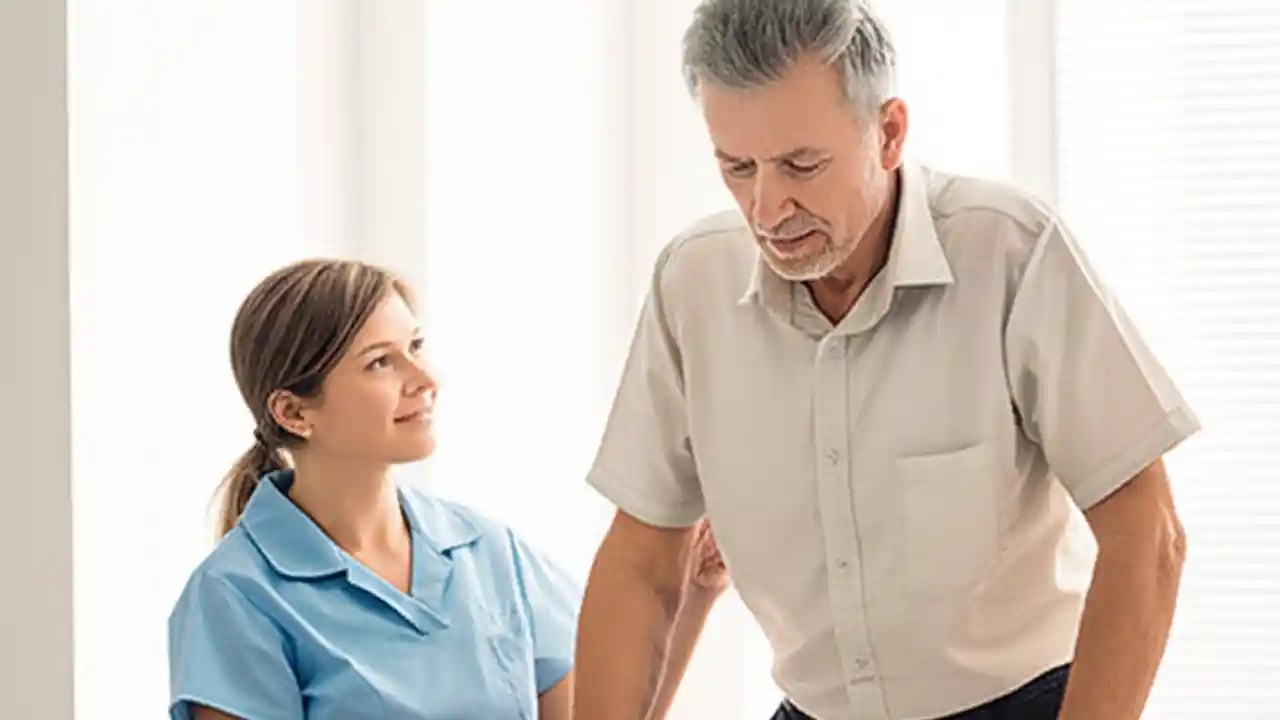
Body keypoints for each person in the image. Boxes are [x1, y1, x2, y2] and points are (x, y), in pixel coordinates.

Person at [574, 2, 1198, 719]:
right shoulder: (692, 283)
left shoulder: (1010, 251)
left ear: (889, 132)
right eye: (737, 167)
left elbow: (1148, 537)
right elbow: (642, 565)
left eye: (802, 165)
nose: (768, 210)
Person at [166, 259, 728, 720]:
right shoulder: (235, 596)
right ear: (294, 412)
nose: (426, 379)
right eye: (380, 363)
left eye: (415, 346)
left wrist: (694, 594)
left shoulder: (489, 552)